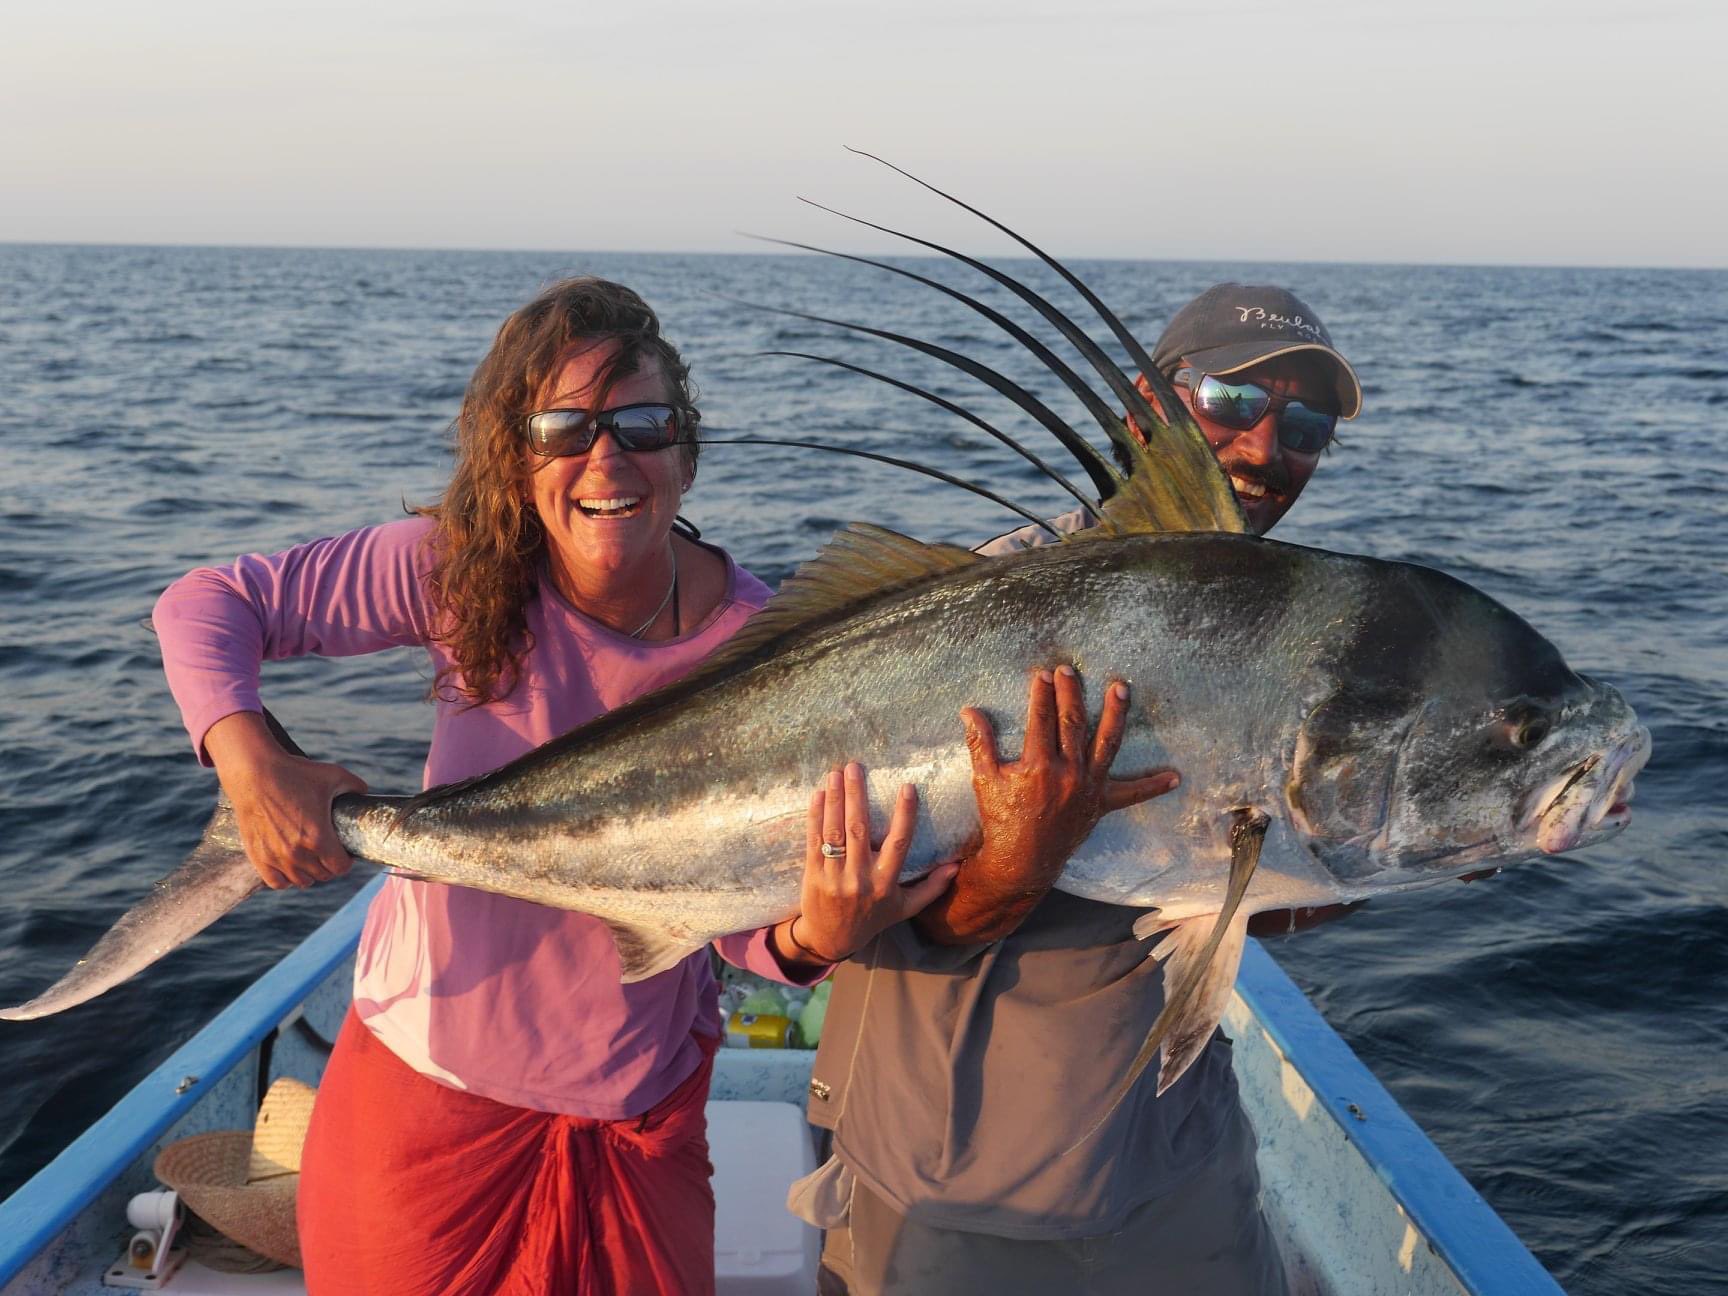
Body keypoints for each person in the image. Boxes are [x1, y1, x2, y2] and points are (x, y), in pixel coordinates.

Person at [151, 278, 958, 1296]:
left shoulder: (765, 649)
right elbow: (210, 604)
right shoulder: (459, 571)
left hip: (637, 1110)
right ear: (516, 458)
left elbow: (740, 907)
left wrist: (814, 938)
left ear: (686, 453)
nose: (606, 459)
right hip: (424, 1092)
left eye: (642, 426)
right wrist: (250, 762)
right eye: (564, 429)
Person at [805, 284, 1365, 1296]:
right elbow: (885, 920)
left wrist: (1366, 852)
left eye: (1305, 427)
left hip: (1175, 1160)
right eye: (1233, 403)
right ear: (1149, 410)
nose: (1264, 448)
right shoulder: (994, 602)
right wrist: (1021, 856)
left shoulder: (1282, 634)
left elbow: (1224, 885)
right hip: (957, 1180)